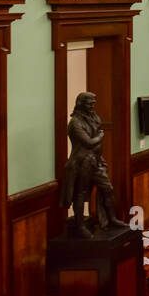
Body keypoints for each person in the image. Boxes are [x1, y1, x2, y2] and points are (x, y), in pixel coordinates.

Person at [59, 91, 121, 237]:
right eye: (90, 103)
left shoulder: (93, 117)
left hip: (96, 160)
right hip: (82, 162)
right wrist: (100, 136)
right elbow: (88, 142)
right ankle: (80, 226)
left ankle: (111, 219)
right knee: (80, 194)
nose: (93, 106)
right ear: (81, 103)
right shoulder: (75, 123)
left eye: (94, 103)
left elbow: (96, 133)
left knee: (107, 189)